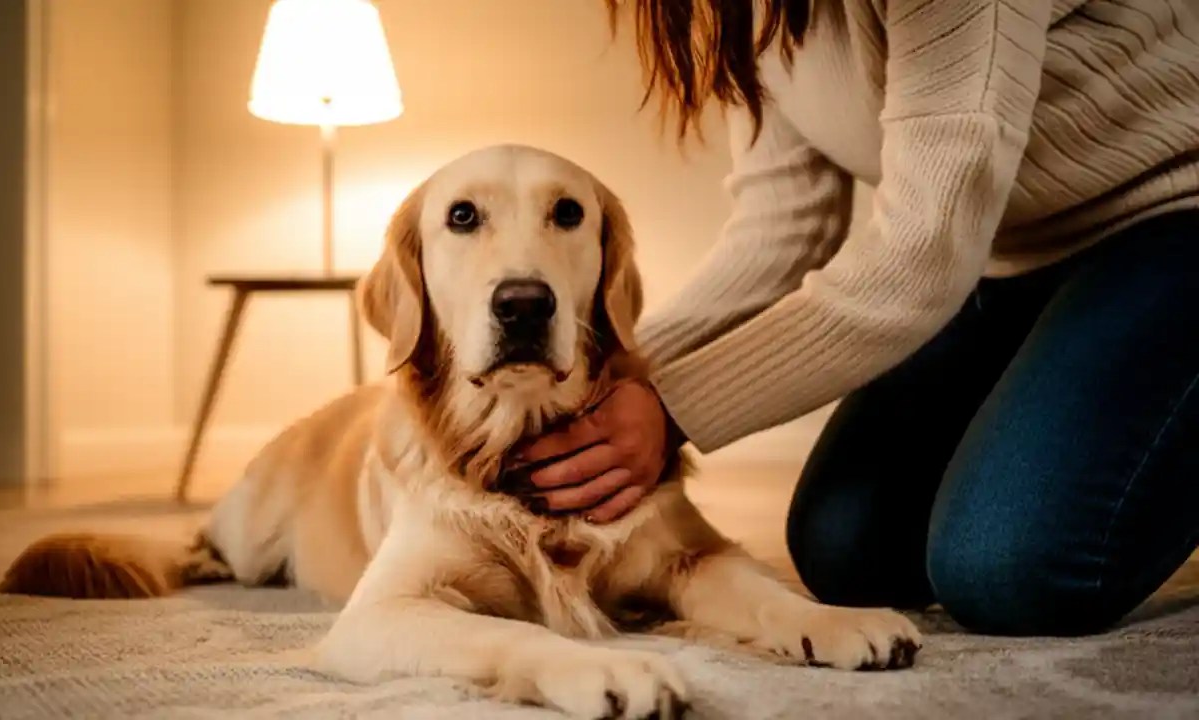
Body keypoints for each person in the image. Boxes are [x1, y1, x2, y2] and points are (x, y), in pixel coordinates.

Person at [502, 0, 1199, 637]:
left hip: (1175, 221)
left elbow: (922, 253)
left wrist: (670, 408)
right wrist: (604, 380)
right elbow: (784, 225)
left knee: (1015, 571)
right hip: (1006, 257)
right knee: (849, 552)